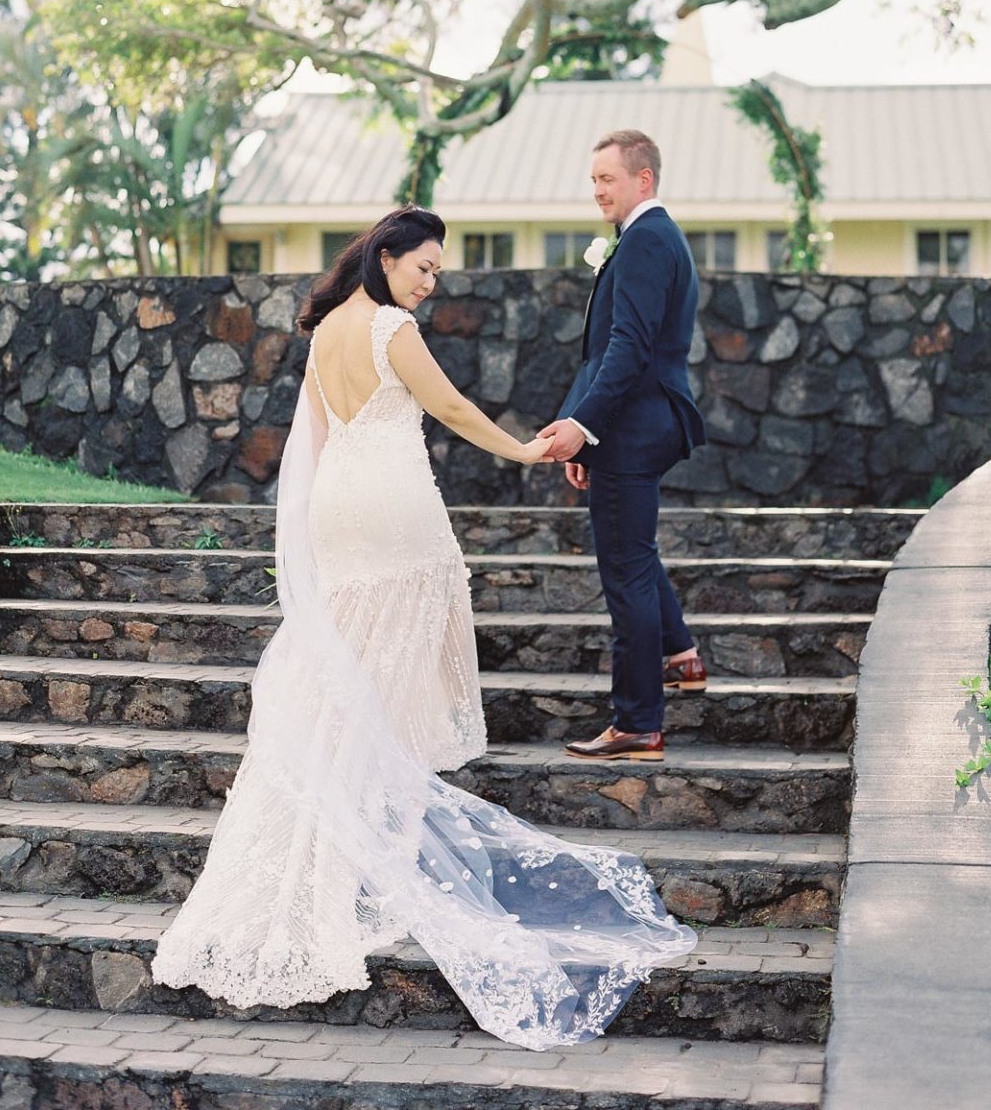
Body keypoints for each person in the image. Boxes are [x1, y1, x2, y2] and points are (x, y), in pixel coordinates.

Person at [151, 205, 696, 1049]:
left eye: (436, 273)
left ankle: (336, 853)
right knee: (394, 664)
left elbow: (322, 434)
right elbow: (446, 406)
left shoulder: (328, 325)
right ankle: (364, 854)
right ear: (388, 256)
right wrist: (529, 450)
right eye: (423, 267)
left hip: (340, 504)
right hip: (394, 509)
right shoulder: (389, 326)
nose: (429, 282)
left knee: (348, 681)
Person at [539, 131, 708, 764]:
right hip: (640, 422)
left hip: (633, 424)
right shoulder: (657, 238)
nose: (597, 191)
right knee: (636, 553)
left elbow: (626, 349)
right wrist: (587, 429)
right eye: (593, 180)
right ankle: (680, 653)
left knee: (625, 570)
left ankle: (637, 722)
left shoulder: (645, 241)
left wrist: (583, 426)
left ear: (643, 180)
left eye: (606, 179)